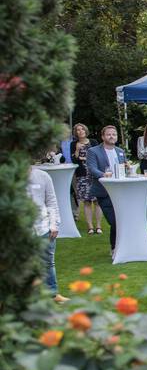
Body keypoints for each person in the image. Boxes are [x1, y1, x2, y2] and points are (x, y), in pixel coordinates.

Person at [28, 155, 65, 302]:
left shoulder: (43, 176)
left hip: (43, 227)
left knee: (48, 262)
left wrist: (54, 224)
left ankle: (53, 294)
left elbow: (51, 201)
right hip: (21, 229)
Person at [86, 125, 126, 253]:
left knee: (121, 220)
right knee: (114, 220)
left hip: (121, 191)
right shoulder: (93, 151)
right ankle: (115, 248)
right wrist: (103, 175)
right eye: (109, 134)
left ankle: (117, 247)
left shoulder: (120, 151)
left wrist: (128, 168)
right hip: (104, 191)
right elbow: (92, 169)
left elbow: (123, 167)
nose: (112, 136)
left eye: (114, 134)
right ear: (103, 136)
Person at [69, 123, 101, 235]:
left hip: (94, 174)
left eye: (82, 129)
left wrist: (83, 157)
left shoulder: (93, 142)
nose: (80, 131)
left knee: (97, 201)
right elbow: (74, 160)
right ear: (76, 133)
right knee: (87, 201)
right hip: (82, 175)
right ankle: (90, 227)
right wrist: (77, 150)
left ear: (85, 130)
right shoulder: (73, 144)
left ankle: (98, 226)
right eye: (78, 130)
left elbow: (98, 157)